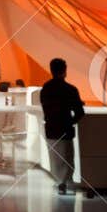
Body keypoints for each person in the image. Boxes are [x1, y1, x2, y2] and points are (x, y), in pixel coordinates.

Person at [39, 57, 89, 197]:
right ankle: (66, 183)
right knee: (67, 158)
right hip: (65, 129)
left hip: (51, 128)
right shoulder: (71, 90)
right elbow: (79, 112)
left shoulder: (45, 89)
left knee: (55, 157)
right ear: (64, 71)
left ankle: (59, 182)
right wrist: (70, 121)